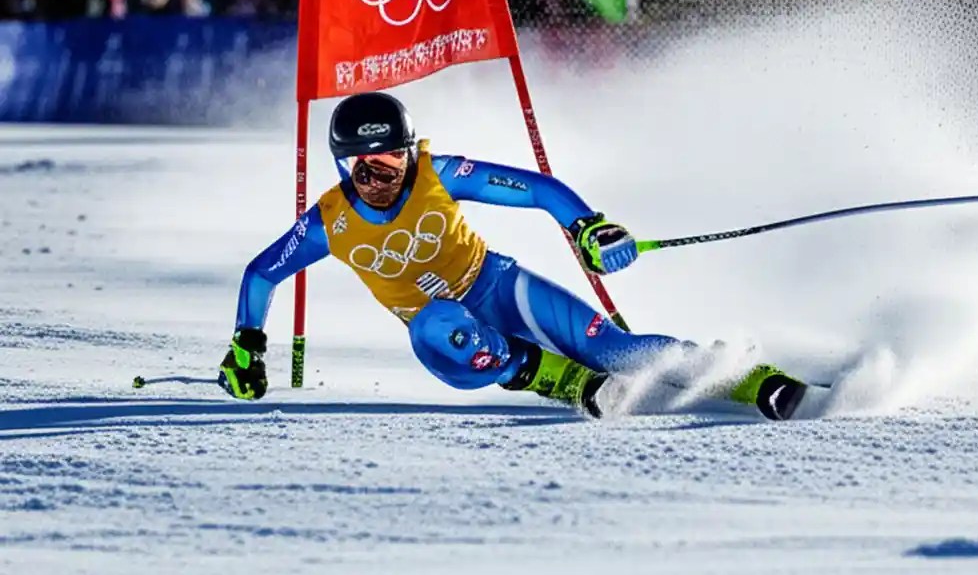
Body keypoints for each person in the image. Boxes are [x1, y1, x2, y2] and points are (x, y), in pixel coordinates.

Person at [219, 92, 811, 420]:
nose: (377, 178)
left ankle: (745, 376)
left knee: (616, 349)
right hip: (446, 329)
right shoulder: (330, 221)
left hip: (497, 284)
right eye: (361, 167)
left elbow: (535, 189)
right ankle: (569, 383)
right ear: (342, 165)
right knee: (438, 323)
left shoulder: (437, 174)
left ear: (408, 154)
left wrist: (586, 226)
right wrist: (248, 343)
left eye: (389, 162)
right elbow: (261, 273)